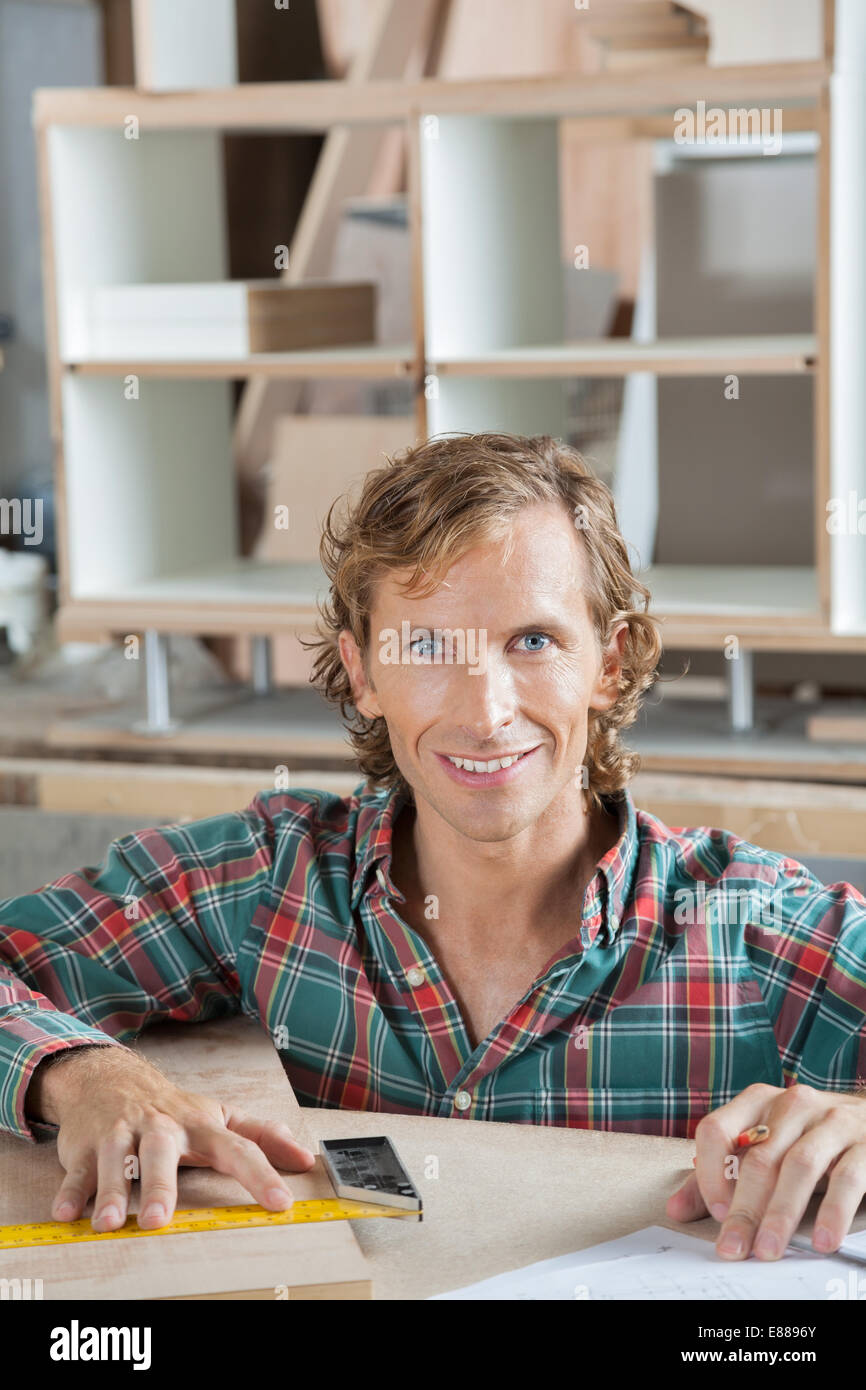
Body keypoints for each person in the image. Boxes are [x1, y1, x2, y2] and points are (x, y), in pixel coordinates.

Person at [2, 433, 865, 1266]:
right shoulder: (268, 881)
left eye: (532, 641)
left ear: (610, 660)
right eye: (426, 647)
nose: (485, 712)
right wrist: (83, 1080)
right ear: (364, 672)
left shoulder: (751, 927)